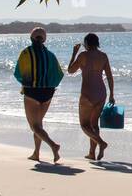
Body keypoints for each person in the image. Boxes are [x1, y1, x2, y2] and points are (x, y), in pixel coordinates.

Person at [12, 26, 63, 162]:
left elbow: (18, 73)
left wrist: (27, 83)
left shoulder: (26, 53)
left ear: (31, 38)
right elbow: (59, 75)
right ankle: (36, 153)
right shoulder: (50, 55)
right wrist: (48, 85)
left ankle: (53, 145)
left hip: (32, 93)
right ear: (44, 40)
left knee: (34, 126)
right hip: (48, 93)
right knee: (39, 124)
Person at [67, 32, 114, 160]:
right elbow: (109, 76)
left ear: (86, 44)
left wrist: (74, 54)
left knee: (84, 125)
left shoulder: (83, 55)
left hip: (88, 93)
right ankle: (92, 153)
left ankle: (101, 143)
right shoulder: (103, 56)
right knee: (94, 124)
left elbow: (70, 71)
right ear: (97, 43)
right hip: (101, 93)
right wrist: (112, 95)